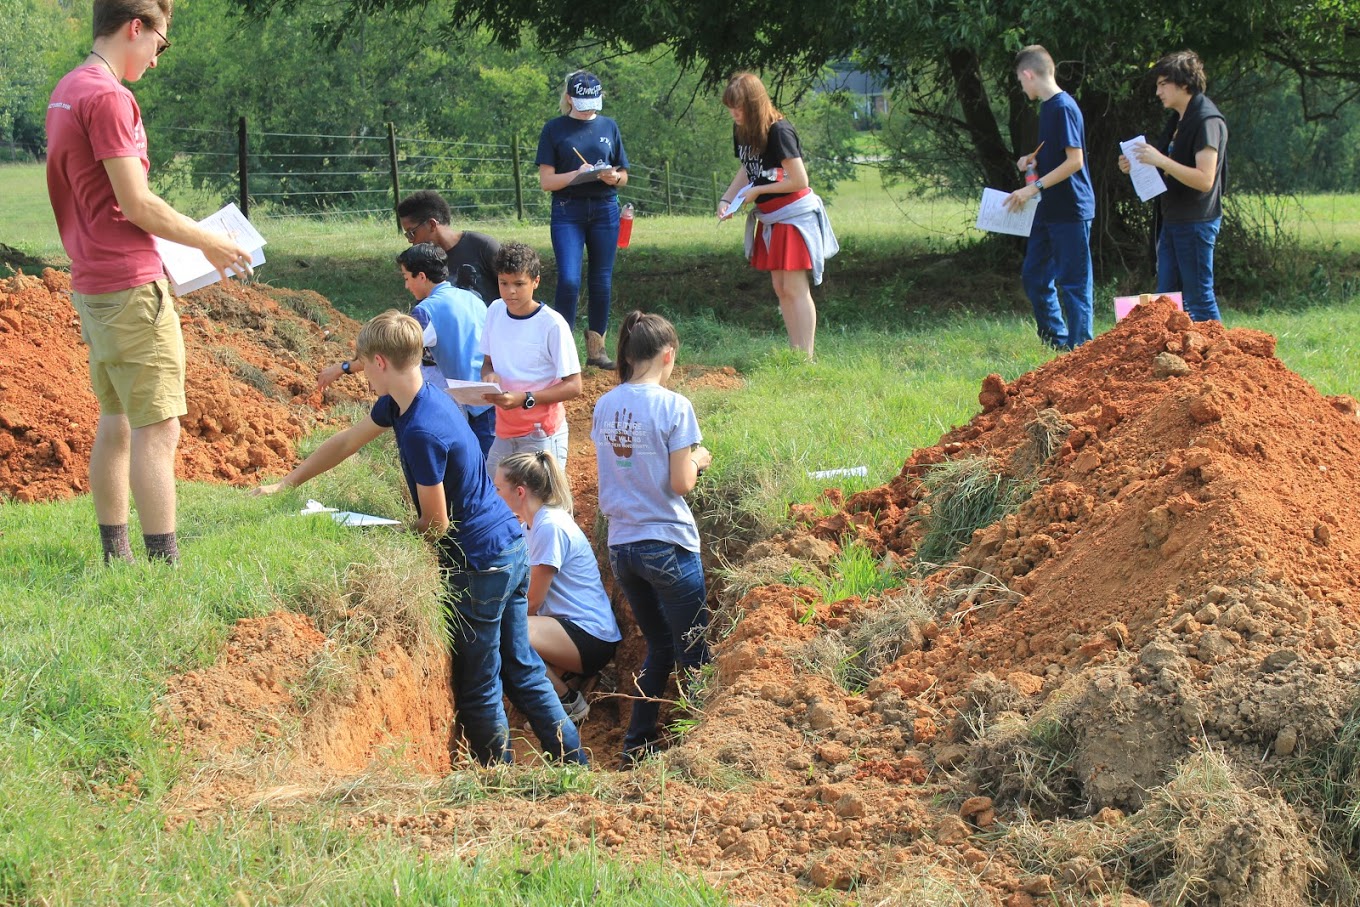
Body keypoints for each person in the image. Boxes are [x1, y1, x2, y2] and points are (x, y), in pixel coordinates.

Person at [255, 310, 585, 767]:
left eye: (362, 363)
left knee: (480, 683)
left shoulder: (423, 431)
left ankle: (496, 782)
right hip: (507, 546)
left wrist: (385, 534)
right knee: (523, 668)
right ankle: (574, 766)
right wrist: (285, 484)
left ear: (381, 363)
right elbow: (349, 440)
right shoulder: (411, 400)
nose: (361, 371)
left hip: (479, 563)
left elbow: (436, 523)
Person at [46, 0, 253, 565]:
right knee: (158, 429)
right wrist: (207, 241)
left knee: (115, 418)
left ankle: (117, 556)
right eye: (160, 44)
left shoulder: (68, 88)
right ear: (135, 27)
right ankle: (165, 566)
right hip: (131, 287)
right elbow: (135, 202)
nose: (157, 60)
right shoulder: (111, 96)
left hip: (91, 282)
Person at [592, 311, 713, 767]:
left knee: (660, 645)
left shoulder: (606, 405)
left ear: (624, 354)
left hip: (623, 548)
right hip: (667, 543)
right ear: (668, 355)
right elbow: (680, 482)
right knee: (695, 651)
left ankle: (635, 745)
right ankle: (704, 750)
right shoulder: (674, 406)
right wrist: (699, 459)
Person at [317, 243, 494, 457]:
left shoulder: (427, 311)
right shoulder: (469, 297)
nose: (406, 286)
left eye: (406, 278)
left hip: (472, 405)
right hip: (495, 392)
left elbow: (389, 351)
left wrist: (343, 368)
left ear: (421, 276)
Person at [493, 450, 622, 725]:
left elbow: (531, 603)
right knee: (508, 625)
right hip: (568, 630)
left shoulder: (549, 527)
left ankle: (568, 702)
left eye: (497, 488)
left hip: (590, 637)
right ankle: (568, 679)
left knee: (508, 629)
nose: (494, 495)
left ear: (519, 491)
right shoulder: (533, 525)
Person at [718, 72, 837, 360]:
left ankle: (806, 359)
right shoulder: (742, 129)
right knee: (780, 287)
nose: (734, 113)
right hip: (771, 217)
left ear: (754, 103)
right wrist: (727, 198)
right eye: (730, 107)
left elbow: (800, 180)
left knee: (795, 288)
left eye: (739, 107)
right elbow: (748, 168)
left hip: (794, 216)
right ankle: (794, 354)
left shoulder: (779, 131)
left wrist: (757, 192)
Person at [1119, 50, 1228, 323]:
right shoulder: (1179, 118)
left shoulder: (1206, 120)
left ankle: (1219, 362)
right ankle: (1176, 363)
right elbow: (1169, 166)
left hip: (1196, 221)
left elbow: (1204, 179)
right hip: (1173, 219)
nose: (1158, 92)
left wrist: (1160, 160)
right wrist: (1138, 164)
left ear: (1184, 83)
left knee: (1199, 300)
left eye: (1163, 84)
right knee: (1166, 301)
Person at [536, 70, 630, 370]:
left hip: (604, 208)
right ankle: (562, 351)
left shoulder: (609, 126)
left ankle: (597, 349)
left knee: (601, 280)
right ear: (568, 99)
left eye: (593, 103)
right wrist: (576, 174)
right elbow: (547, 181)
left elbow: (624, 174)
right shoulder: (554, 129)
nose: (589, 108)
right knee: (569, 278)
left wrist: (614, 176)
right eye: (582, 102)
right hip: (567, 210)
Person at [1003, 45, 1096, 350]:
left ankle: (1081, 349)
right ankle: (1057, 342)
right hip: (1049, 210)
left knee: (1073, 284)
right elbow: (1056, 155)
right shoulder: (1048, 108)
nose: (1021, 86)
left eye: (1020, 80)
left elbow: (1075, 161)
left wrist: (1033, 188)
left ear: (1029, 74)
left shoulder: (1063, 107)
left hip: (1071, 209)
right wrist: (1032, 159)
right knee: (1035, 276)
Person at [480, 243, 582, 475]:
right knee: (494, 500)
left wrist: (525, 399)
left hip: (542, 433)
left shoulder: (552, 324)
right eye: (503, 283)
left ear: (536, 281)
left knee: (547, 504)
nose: (510, 291)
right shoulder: (495, 311)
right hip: (504, 429)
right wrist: (488, 376)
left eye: (519, 284)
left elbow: (575, 386)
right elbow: (488, 363)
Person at [396, 190, 501, 306]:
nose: (410, 241)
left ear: (432, 224)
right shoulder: (424, 262)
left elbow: (517, 287)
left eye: (412, 233)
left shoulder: (483, 247)